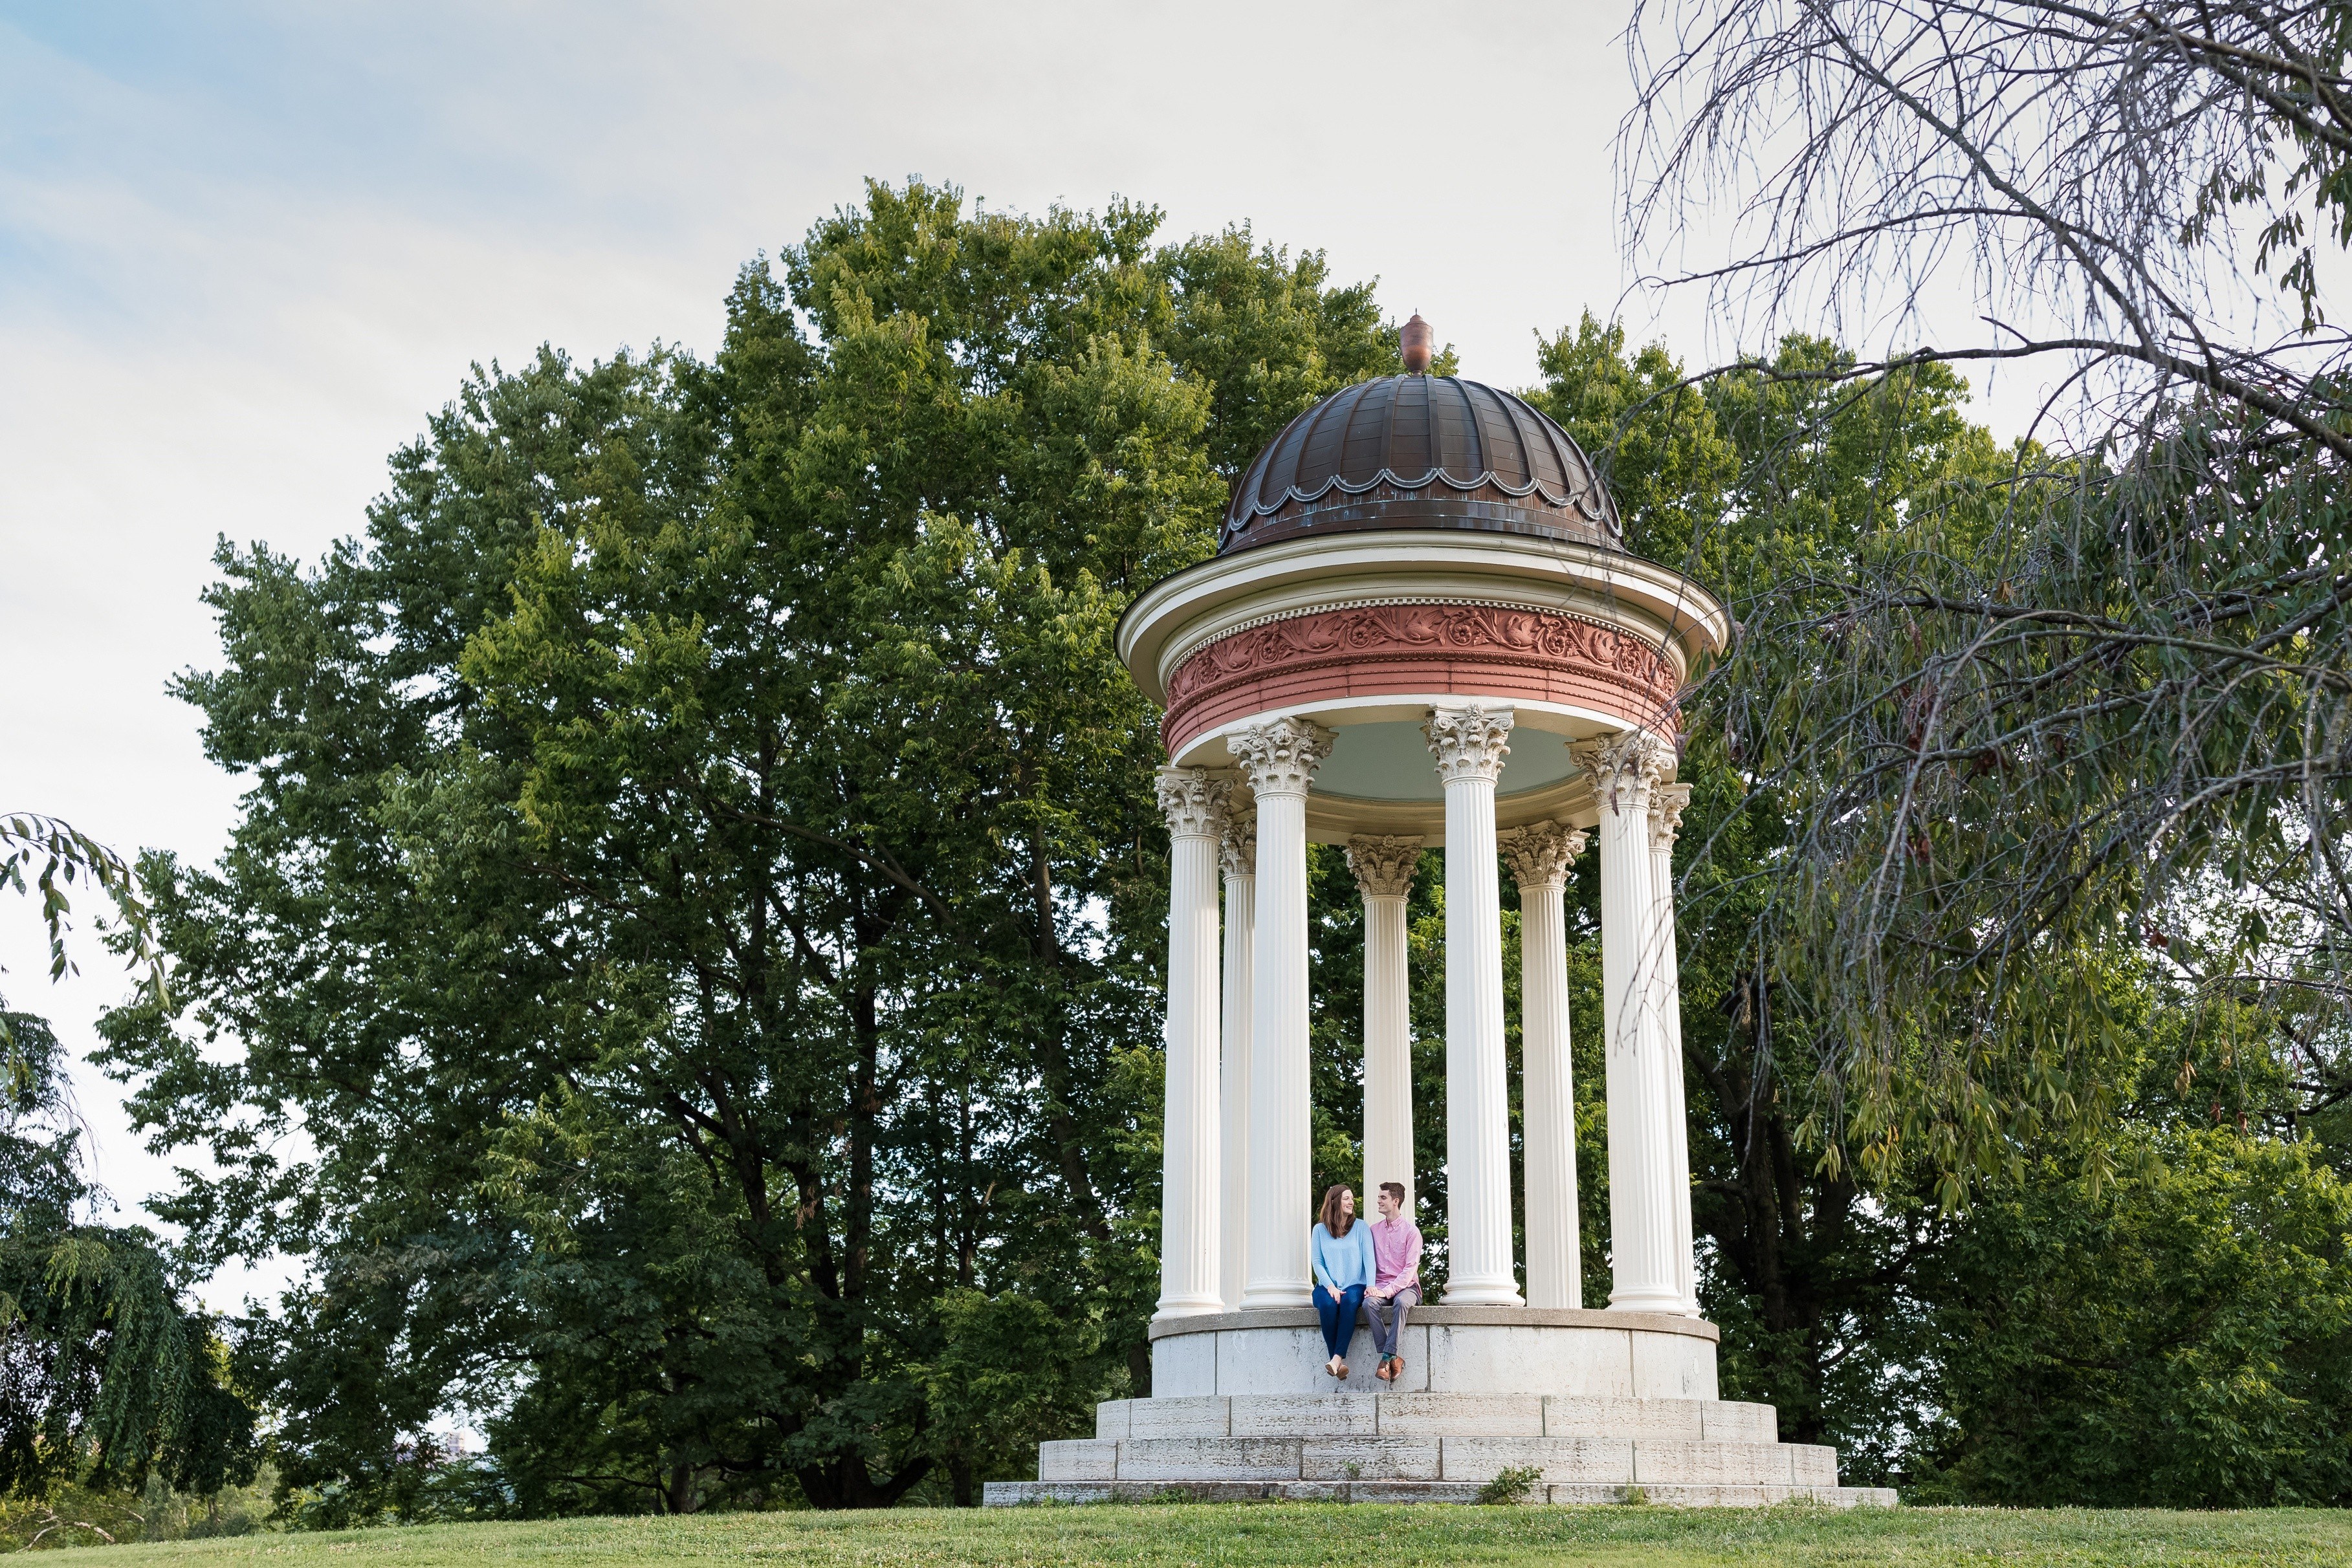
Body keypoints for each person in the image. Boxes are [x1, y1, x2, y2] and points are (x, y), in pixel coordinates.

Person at [1310, 1184, 1375, 1380]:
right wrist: (1330, 1286)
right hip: (1326, 1285)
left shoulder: (1361, 1227)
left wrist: (1371, 1284)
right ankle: (1338, 1362)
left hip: (1355, 1284)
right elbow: (1317, 1262)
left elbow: (1369, 1259)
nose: (1351, 1201)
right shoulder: (1320, 1230)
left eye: (1352, 1198)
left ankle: (1335, 1359)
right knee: (1328, 1304)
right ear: (1334, 1201)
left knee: (1348, 1302)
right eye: (1346, 1198)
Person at [1365, 1180, 1422, 1383]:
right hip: (1380, 1285)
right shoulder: (1373, 1230)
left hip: (1407, 1287)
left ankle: (1386, 1359)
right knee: (1368, 1303)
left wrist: (1387, 1291)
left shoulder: (1412, 1232)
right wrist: (1373, 1287)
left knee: (1401, 1302)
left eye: (1383, 1197)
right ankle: (1393, 1357)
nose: (1378, 1201)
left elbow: (1409, 1271)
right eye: (1379, 1197)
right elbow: (1368, 1262)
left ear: (1395, 1201)